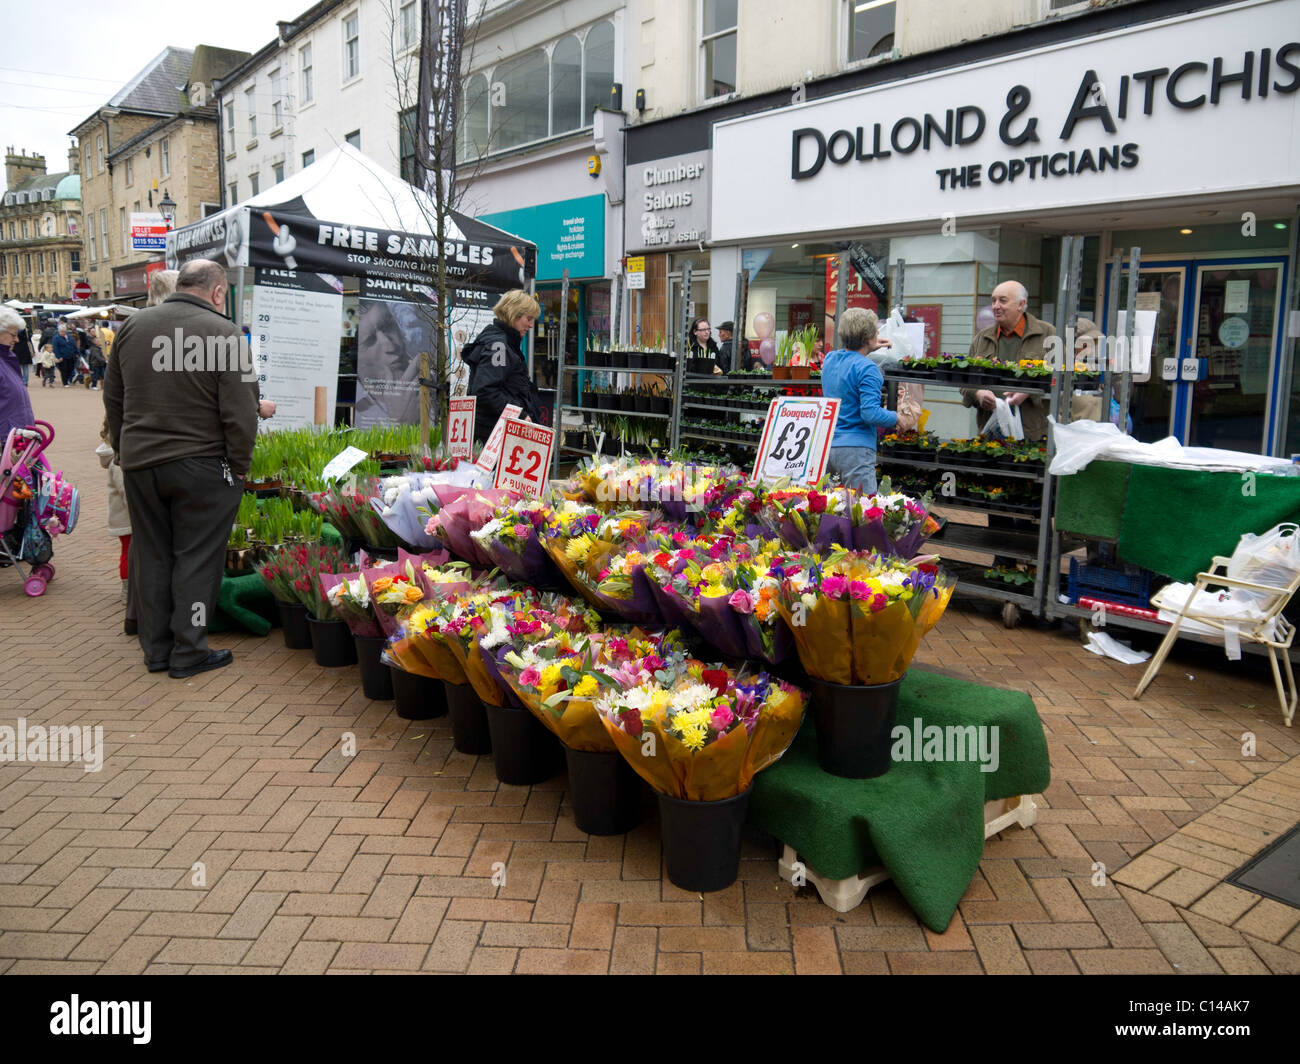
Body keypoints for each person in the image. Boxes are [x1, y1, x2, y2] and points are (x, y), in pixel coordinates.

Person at [104, 258, 258, 678]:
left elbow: (113, 397)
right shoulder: (226, 333)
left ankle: (156, 651)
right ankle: (189, 650)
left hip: (141, 461)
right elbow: (241, 412)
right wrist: (239, 467)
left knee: (151, 554)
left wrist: (123, 449)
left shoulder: (132, 327)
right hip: (201, 464)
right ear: (218, 292)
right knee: (197, 558)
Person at [821, 307, 916, 495]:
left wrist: (868, 346)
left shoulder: (830, 360)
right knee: (863, 512)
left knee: (832, 509)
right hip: (856, 450)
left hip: (828, 447)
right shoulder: (868, 368)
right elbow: (870, 413)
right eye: (875, 330)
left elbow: (848, 362)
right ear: (867, 338)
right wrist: (897, 417)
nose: (878, 332)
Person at [961, 280, 1057, 440]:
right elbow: (964, 379)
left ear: (1021, 304)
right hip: (990, 432)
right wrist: (978, 393)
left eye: (1002, 300)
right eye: (993, 300)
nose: (995, 306)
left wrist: (1029, 390)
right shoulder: (982, 338)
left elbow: (1064, 377)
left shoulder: (1048, 333)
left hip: (1032, 433)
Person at [462, 289, 541, 445]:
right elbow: (486, 391)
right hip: (493, 435)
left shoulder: (500, 341)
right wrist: (519, 415)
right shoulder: (499, 345)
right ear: (515, 314)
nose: (531, 325)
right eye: (529, 318)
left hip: (493, 431)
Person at [95, 418, 135, 632]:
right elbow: (126, 492)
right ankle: (127, 590)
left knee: (127, 553)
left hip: (124, 516)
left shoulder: (114, 457)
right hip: (127, 518)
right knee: (128, 554)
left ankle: (129, 588)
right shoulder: (117, 462)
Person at [0, 307, 36, 443]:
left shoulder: (8, 358)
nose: (16, 339)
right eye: (13, 335)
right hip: (6, 441)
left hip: (17, 439)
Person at [52, 322, 78, 387]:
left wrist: (77, 352)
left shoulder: (69, 337)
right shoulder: (56, 338)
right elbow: (55, 348)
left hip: (71, 355)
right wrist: (59, 356)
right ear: (59, 331)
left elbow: (73, 345)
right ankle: (65, 382)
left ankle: (68, 379)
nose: (63, 333)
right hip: (63, 356)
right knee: (64, 369)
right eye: (61, 332)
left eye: (64, 332)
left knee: (71, 368)